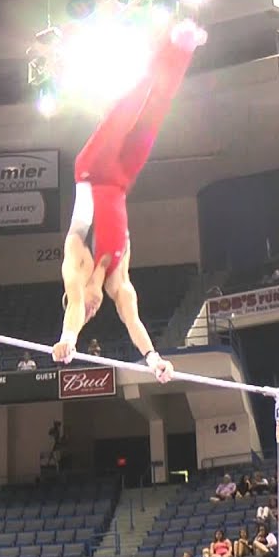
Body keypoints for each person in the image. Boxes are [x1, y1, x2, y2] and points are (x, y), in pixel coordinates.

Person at [52, 19, 207, 379]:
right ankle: (182, 48)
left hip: (91, 170)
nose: (91, 311)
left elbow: (75, 305)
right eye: (94, 314)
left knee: (128, 110)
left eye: (86, 313)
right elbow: (133, 322)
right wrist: (155, 361)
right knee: (155, 115)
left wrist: (69, 337)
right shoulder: (117, 281)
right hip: (121, 180)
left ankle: (163, 49)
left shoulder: (75, 264)